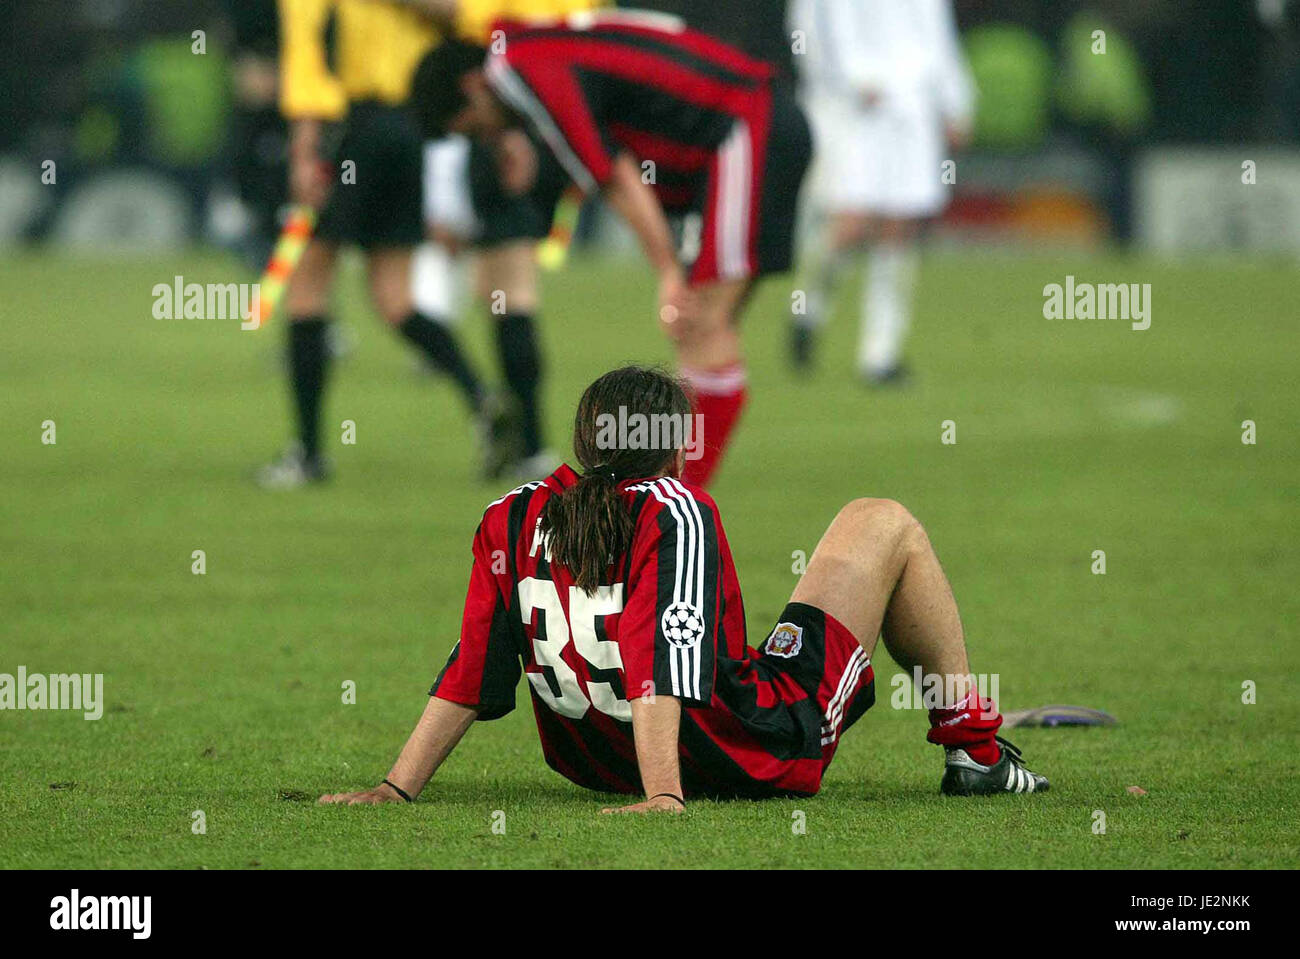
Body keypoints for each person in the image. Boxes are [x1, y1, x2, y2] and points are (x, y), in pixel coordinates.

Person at [319, 366, 1049, 811]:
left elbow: (472, 670)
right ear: (673, 447)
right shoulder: (676, 509)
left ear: (584, 439)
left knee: (789, 617)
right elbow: (661, 657)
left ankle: (974, 755)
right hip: (740, 750)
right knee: (884, 521)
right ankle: (977, 755)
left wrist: (397, 785)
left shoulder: (507, 514)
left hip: (596, 761)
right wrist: (665, 793)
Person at [406, 5, 814, 488]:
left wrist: (666, 270)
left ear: (473, 86)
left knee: (700, 323)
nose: (488, 138)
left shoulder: (522, 70)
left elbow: (613, 175)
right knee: (700, 330)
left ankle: (678, 510)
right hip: (751, 122)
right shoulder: (529, 48)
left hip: (746, 126)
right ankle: (677, 498)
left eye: (477, 128)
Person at [258, 0, 500, 488]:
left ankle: (307, 454)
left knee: (308, 285)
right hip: (412, 126)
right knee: (395, 299)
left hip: (347, 127)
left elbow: (308, 62)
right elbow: (463, 16)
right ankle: (482, 397)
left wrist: (304, 149)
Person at [789, 0, 975, 382]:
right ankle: (808, 310)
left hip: (913, 108)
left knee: (900, 226)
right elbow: (811, 29)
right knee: (850, 225)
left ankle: (880, 355)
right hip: (854, 108)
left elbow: (939, 38)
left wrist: (956, 103)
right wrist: (847, 80)